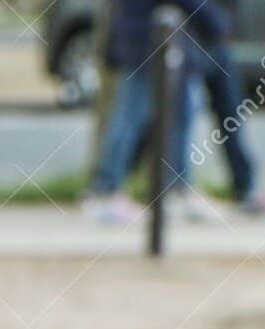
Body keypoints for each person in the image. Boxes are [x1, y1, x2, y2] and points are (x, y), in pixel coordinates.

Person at [86, 0, 227, 224]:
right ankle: (106, 191)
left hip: (155, 40)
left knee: (176, 119)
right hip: (147, 42)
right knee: (130, 119)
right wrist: (214, 23)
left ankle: (177, 187)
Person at [186, 1, 265, 214]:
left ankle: (246, 186)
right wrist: (216, 20)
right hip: (187, 36)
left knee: (231, 115)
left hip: (215, 38)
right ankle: (175, 189)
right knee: (179, 118)